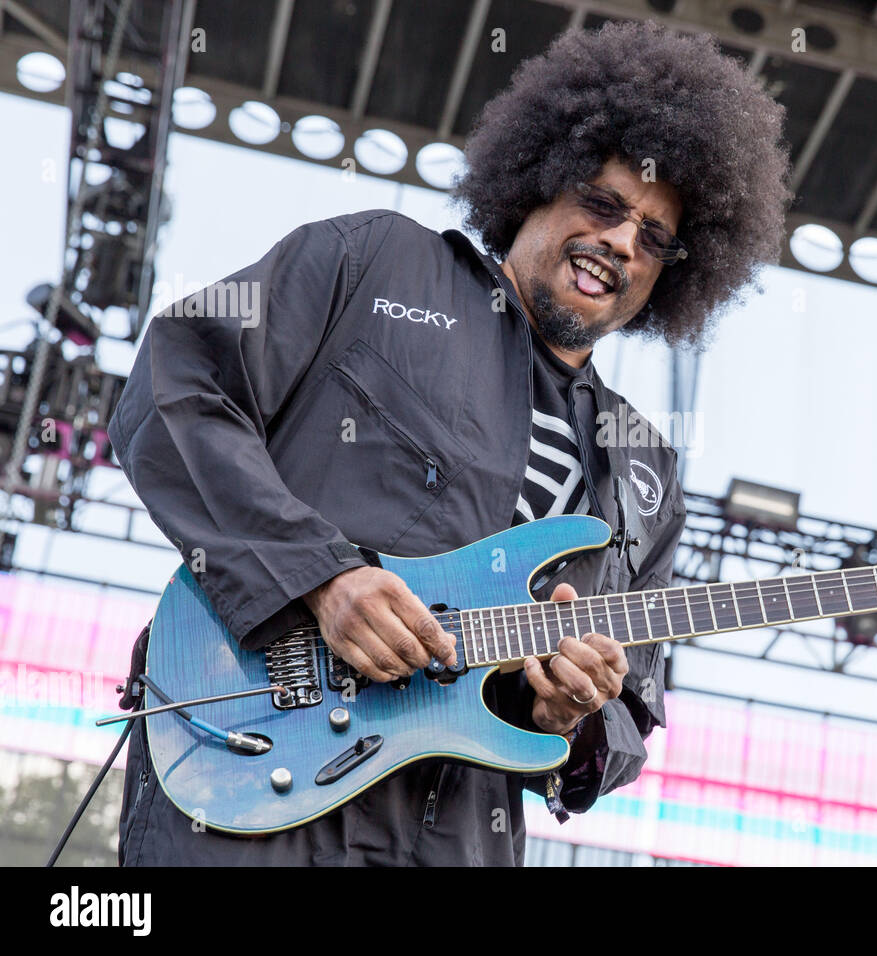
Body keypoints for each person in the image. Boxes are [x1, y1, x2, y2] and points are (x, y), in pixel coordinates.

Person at [109, 19, 792, 866]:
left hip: (456, 836)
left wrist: (568, 714)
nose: (621, 240)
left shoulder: (643, 469)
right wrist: (319, 576)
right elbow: (175, 391)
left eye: (654, 237)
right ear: (538, 179)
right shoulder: (377, 263)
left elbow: (619, 727)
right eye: (603, 204)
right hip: (253, 781)